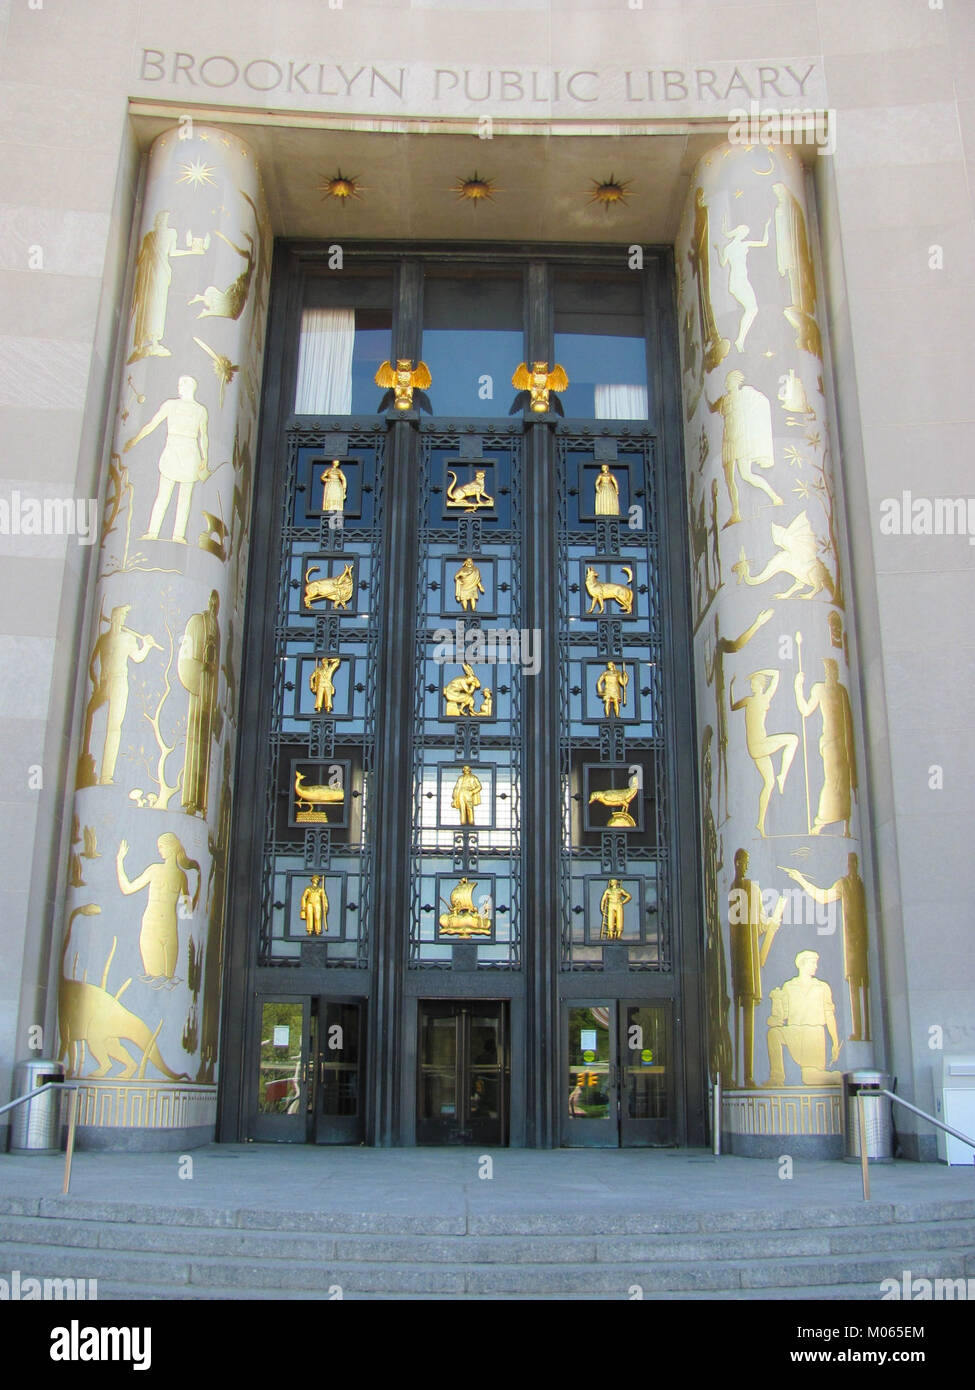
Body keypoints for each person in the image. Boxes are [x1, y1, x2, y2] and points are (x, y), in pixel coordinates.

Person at [782, 855, 870, 1041]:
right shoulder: (843, 884)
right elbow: (822, 897)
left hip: (863, 942)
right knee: (854, 982)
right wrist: (800, 879)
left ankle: (867, 1031)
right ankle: (859, 1030)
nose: (852, 866)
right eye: (849, 863)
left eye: (854, 863)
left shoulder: (862, 884)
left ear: (857, 864)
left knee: (865, 984)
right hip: (852, 943)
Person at [124, 376, 210, 544]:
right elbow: (152, 424)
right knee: (167, 495)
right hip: (177, 450)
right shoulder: (177, 406)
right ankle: (154, 532)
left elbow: (203, 436)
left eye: (181, 385)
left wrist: (205, 458)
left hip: (187, 452)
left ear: (188, 387)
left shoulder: (196, 409)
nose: (178, 387)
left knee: (178, 497)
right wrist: (135, 439)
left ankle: (174, 535)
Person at [78, 605, 157, 786]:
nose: (122, 619)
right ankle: (85, 759)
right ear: (113, 617)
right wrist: (96, 682)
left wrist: (146, 646)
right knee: (90, 713)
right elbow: (91, 664)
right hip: (104, 684)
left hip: (120, 683)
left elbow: (137, 657)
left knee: (114, 726)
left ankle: (106, 775)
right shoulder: (103, 639)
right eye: (120, 616)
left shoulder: (128, 638)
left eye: (124, 617)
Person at [728, 848, 785, 1088]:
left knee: (748, 1009)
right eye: (741, 861)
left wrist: (770, 923)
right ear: (735, 862)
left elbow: (759, 924)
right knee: (739, 1010)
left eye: (747, 861)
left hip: (747, 957)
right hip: (738, 957)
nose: (744, 865)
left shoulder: (750, 888)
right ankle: (742, 1074)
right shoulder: (735, 888)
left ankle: (748, 1074)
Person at [116, 833, 200, 985]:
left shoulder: (182, 876)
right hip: (151, 928)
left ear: (172, 847)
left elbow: (186, 912)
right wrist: (119, 861)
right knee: (154, 979)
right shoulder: (154, 870)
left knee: (169, 979)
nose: (159, 851)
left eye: (161, 847)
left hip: (170, 929)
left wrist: (199, 886)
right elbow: (127, 889)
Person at [729, 668, 798, 836]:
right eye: (752, 682)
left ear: (760, 685)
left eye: (754, 682)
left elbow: (776, 674)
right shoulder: (752, 700)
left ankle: (760, 822)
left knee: (769, 784)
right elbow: (732, 706)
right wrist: (731, 686)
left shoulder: (758, 699)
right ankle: (782, 774)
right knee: (793, 740)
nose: (752, 685)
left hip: (757, 746)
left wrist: (749, 676)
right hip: (759, 744)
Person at [794, 657, 857, 836]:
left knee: (843, 783)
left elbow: (848, 720)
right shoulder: (819, 689)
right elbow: (806, 711)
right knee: (832, 781)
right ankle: (821, 821)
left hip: (842, 743)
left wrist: (850, 747)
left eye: (834, 672)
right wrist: (798, 687)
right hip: (829, 742)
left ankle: (846, 825)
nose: (832, 675)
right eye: (829, 672)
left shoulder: (842, 690)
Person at [765, 950, 841, 1086]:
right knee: (773, 1034)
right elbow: (783, 1015)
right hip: (794, 1032)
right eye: (813, 963)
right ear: (802, 964)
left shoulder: (822, 987)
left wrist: (835, 1042)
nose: (816, 967)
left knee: (809, 1078)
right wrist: (775, 1011)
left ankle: (837, 1077)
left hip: (814, 1034)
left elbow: (829, 1015)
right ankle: (776, 1078)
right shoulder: (789, 986)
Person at [179, 591, 221, 817]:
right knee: (194, 743)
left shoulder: (216, 626)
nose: (214, 604)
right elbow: (188, 655)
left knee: (205, 746)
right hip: (199, 687)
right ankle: (190, 800)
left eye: (216, 601)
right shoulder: (198, 622)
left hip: (209, 690)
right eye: (211, 600)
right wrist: (203, 665)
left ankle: (202, 802)